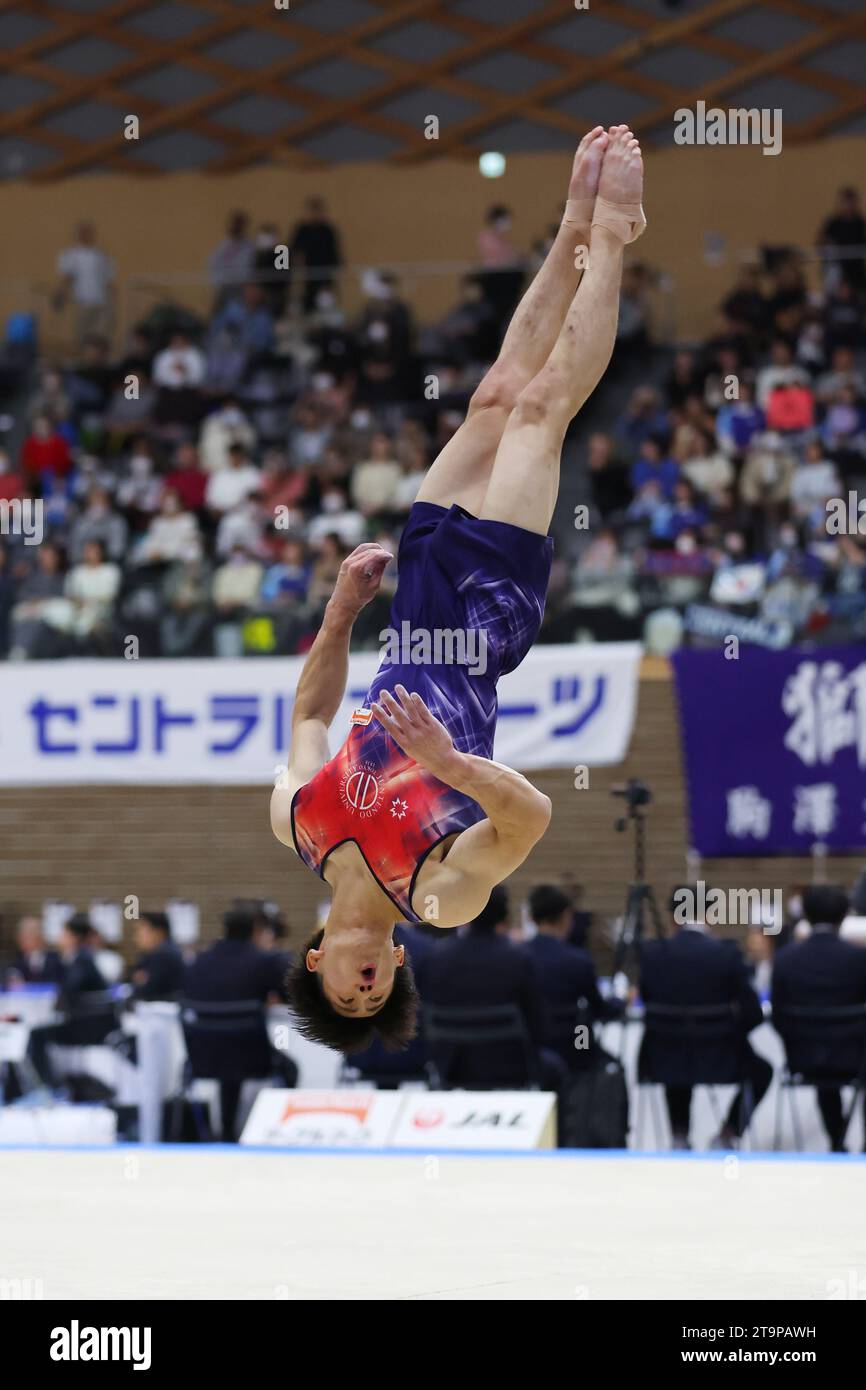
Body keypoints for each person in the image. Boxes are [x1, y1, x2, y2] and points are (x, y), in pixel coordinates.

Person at [271, 126, 647, 1052]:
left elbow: (310, 712)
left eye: (345, 996)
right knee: (542, 408)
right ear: (395, 968)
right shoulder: (439, 896)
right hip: (481, 631)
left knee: (492, 396)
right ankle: (617, 236)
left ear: (317, 961)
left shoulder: (299, 825)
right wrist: (451, 766)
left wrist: (341, 610)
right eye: (376, 996)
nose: (364, 984)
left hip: (409, 619)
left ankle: (568, 231)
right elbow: (532, 817)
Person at [638, 886, 773, 1149]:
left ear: (673, 917)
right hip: (722, 1057)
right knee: (762, 1071)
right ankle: (728, 1133)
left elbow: (647, 1002)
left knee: (676, 1047)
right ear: (711, 914)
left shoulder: (652, 954)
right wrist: (726, 1031)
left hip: (663, 1059)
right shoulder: (727, 953)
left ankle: (679, 1133)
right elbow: (753, 1014)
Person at [418, 885, 560, 1088]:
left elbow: (421, 1020)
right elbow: (540, 1028)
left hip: (452, 1069)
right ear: (503, 915)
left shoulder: (435, 957)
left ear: (464, 909)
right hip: (512, 1069)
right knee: (555, 1069)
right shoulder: (519, 959)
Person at [772, 885, 866, 1152]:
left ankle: (836, 1141)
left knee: (825, 1056)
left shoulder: (785, 959)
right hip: (856, 1059)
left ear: (805, 915)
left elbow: (778, 1016)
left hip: (804, 1057)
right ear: (844, 916)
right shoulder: (859, 958)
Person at [525, 884, 623, 1070]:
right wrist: (621, 1001)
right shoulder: (578, 960)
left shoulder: (519, 957)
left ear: (532, 918)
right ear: (565, 916)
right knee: (589, 1040)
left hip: (531, 1049)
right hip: (573, 1048)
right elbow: (600, 1008)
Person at [27, 915, 109, 1090]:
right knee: (38, 1032)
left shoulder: (82, 959)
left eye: (63, 933)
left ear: (74, 937)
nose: (59, 937)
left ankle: (47, 1087)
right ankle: (47, 1085)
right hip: (83, 1020)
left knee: (37, 1035)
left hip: (90, 1025)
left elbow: (69, 989)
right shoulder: (74, 958)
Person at [55, 222, 114, 345]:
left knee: (99, 336)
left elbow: (108, 280)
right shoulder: (72, 255)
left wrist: (111, 303)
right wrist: (61, 294)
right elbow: (67, 278)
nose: (86, 235)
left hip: (100, 302)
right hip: (82, 302)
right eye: (83, 232)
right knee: (82, 336)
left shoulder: (100, 255)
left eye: (88, 232)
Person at [289, 197, 342, 315]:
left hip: (324, 278)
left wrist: (333, 277)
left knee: (326, 307)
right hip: (306, 277)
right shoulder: (301, 230)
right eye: (312, 210)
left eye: (317, 210)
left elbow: (335, 255)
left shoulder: (328, 230)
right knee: (304, 308)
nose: (314, 214)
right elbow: (295, 252)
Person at [129, 911, 187, 1002]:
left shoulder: (165, 955)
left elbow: (144, 990)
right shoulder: (151, 954)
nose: (136, 937)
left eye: (140, 930)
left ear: (158, 932)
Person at [5, 916, 63, 988]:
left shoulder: (56, 959)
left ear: (39, 937)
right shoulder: (16, 960)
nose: (20, 940)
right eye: (20, 936)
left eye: (26, 936)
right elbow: (11, 973)